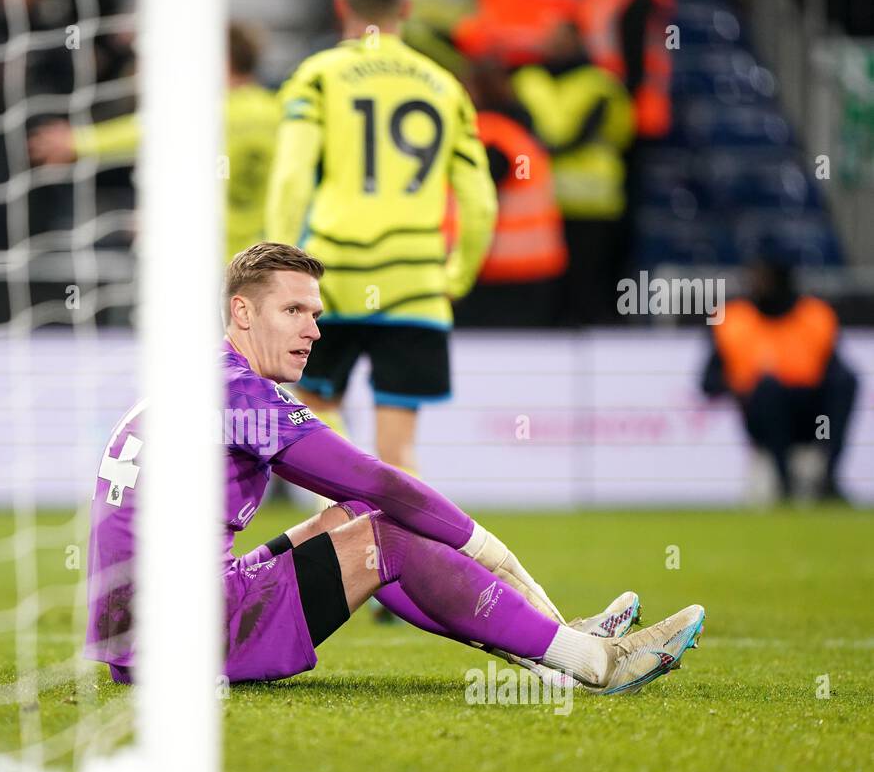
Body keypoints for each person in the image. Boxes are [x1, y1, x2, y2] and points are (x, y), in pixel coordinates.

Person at [86, 242, 706, 692]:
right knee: (385, 535)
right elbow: (373, 477)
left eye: (317, 314)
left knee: (351, 521)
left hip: (137, 631)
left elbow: (355, 496)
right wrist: (490, 549)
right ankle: (594, 662)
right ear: (243, 313)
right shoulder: (239, 395)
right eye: (294, 312)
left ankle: (551, 643)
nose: (313, 331)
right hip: (181, 633)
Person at [265, 0, 497, 474]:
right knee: (399, 449)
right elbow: (480, 201)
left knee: (311, 410)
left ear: (341, 5)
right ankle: (397, 538)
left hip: (332, 276)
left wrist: (282, 265)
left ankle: (350, 502)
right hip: (416, 280)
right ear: (407, 8)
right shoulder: (445, 86)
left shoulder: (319, 75)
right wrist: (458, 275)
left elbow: (291, 178)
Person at [27, 22, 279, 261]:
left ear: (220, 62)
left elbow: (158, 130)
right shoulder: (271, 109)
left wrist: (80, 142)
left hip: (223, 259)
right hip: (251, 254)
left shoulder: (225, 112)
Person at [702, 258, 860, 502]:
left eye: (765, 276)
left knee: (845, 381)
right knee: (769, 389)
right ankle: (784, 482)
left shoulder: (814, 315)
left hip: (815, 421)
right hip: (763, 417)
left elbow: (834, 373)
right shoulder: (732, 318)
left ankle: (829, 476)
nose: (758, 283)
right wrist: (740, 387)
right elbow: (708, 383)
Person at [513, 20, 634, 326]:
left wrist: (543, 148)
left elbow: (613, 134)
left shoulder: (600, 83)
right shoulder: (526, 80)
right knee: (547, 285)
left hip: (591, 202)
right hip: (539, 203)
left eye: (559, 38)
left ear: (578, 41)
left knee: (587, 281)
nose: (551, 44)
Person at [449, 59, 567, 328]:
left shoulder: (485, 135)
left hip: (496, 273)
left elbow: (479, 203)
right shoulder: (517, 131)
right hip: (536, 268)